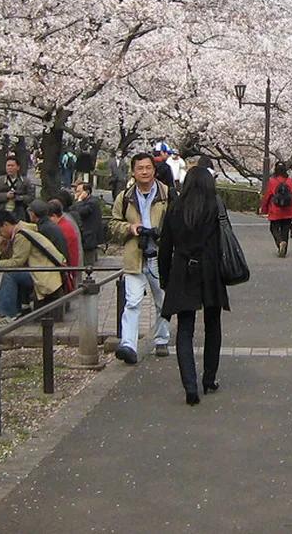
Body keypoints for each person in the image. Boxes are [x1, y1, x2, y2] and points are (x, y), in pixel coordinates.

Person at [159, 165, 230, 404]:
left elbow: (165, 246)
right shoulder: (215, 207)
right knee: (213, 325)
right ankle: (209, 379)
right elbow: (223, 241)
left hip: (182, 268)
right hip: (210, 270)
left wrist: (165, 278)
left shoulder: (175, 208)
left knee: (185, 328)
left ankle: (190, 386)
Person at [108, 152, 172, 363]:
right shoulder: (125, 197)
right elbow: (112, 224)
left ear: (154, 170)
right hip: (135, 254)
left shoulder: (167, 194)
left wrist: (162, 232)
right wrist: (130, 228)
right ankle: (128, 345)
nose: (144, 172)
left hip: (159, 255)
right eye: (140, 168)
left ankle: (162, 338)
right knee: (133, 301)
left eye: (148, 168)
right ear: (133, 172)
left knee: (162, 301)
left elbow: (177, 222)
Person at [0, 207, 66, 323]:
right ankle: (18, 306)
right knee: (15, 274)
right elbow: (16, 258)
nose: (0, 234)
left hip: (44, 274)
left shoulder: (21, 235)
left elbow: (16, 262)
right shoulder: (23, 230)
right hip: (45, 270)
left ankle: (7, 314)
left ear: (5, 224)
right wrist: (3, 247)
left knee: (10, 275)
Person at [259, 161, 292, 258]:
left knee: (274, 228)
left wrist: (263, 208)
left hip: (275, 210)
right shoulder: (290, 181)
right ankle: (283, 249)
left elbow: (267, 196)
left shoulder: (272, 181)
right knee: (285, 229)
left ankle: (280, 243)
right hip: (289, 210)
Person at [49, 198, 82, 292]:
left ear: (54, 216)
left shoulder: (62, 228)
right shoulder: (66, 223)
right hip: (71, 268)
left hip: (68, 270)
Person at [70, 181, 104, 267]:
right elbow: (72, 210)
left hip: (89, 236)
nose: (76, 193)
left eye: (78, 191)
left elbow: (81, 212)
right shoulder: (84, 202)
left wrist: (79, 200)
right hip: (85, 235)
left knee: (88, 264)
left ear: (86, 192)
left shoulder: (92, 202)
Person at [0, 155, 34, 220]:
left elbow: (31, 197)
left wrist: (19, 197)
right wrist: (6, 195)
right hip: (2, 209)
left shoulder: (25, 181)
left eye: (12, 166)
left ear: (18, 167)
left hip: (20, 211)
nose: (10, 168)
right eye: (8, 165)